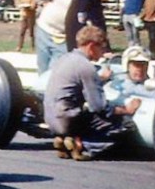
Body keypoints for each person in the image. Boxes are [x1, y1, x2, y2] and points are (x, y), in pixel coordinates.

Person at [44, 25, 141, 161]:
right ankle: (83, 145)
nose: (103, 53)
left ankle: (65, 139)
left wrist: (100, 79)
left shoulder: (65, 59)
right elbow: (99, 107)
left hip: (51, 118)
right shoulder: (87, 67)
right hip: (68, 120)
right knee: (126, 125)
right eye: (102, 47)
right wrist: (126, 110)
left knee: (85, 113)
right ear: (91, 46)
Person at [35, 0, 105, 75]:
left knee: (55, 75)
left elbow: (97, 20)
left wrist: (104, 47)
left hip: (62, 40)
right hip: (43, 31)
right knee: (42, 71)